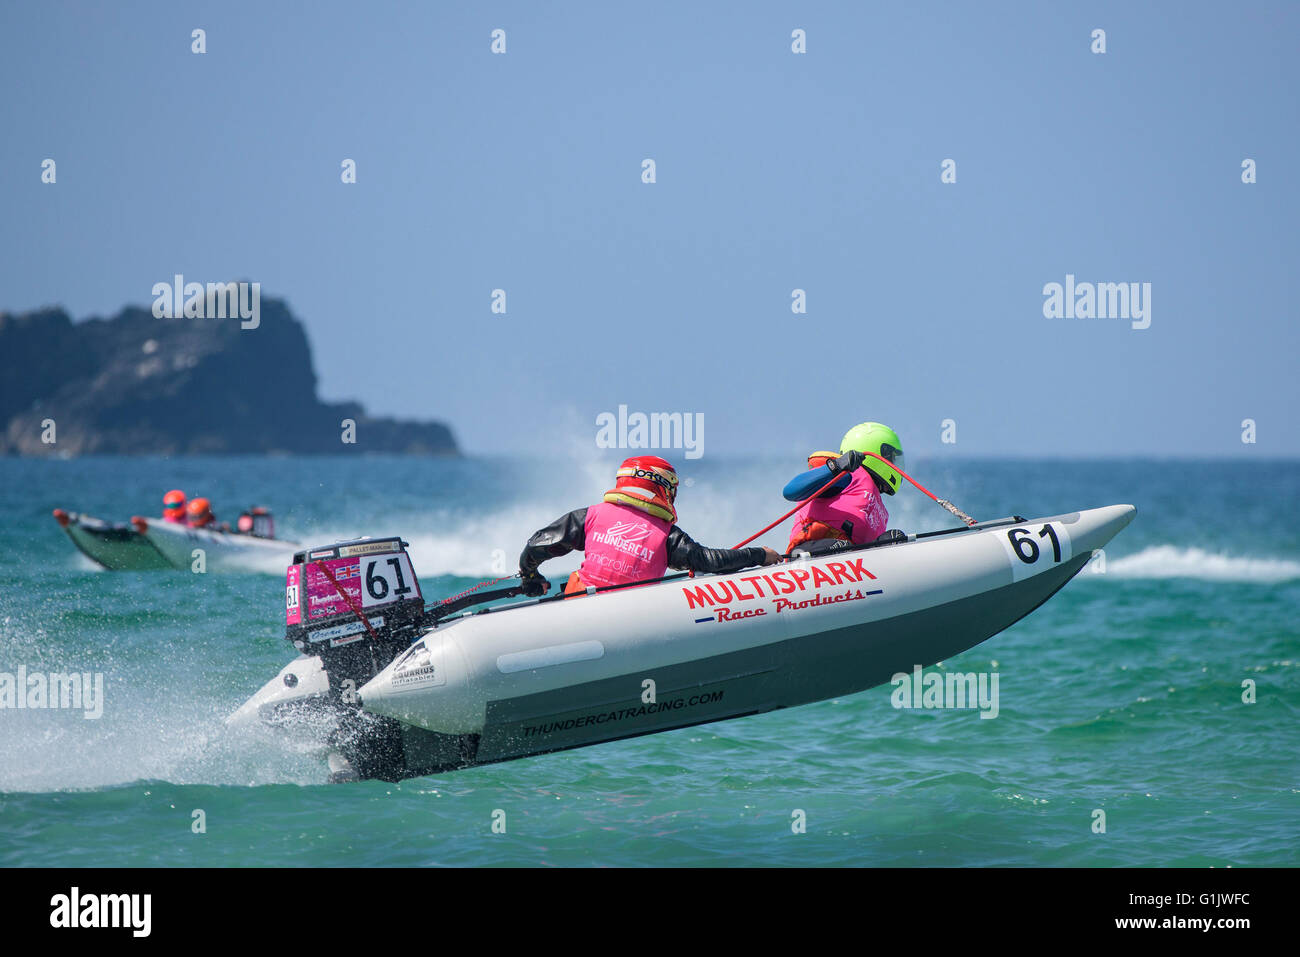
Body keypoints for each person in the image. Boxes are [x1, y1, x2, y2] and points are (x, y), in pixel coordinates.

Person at [518, 455, 780, 597]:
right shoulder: (667, 535)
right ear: (661, 487)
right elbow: (709, 560)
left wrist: (531, 577)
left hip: (577, 607)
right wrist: (760, 555)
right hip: (633, 623)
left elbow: (536, 545)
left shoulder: (591, 515)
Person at [783, 422, 908, 556]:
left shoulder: (877, 506)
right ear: (881, 453)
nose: (896, 465)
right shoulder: (848, 477)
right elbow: (790, 491)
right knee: (843, 547)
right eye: (893, 458)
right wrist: (836, 466)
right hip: (809, 553)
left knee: (895, 538)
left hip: (852, 562)